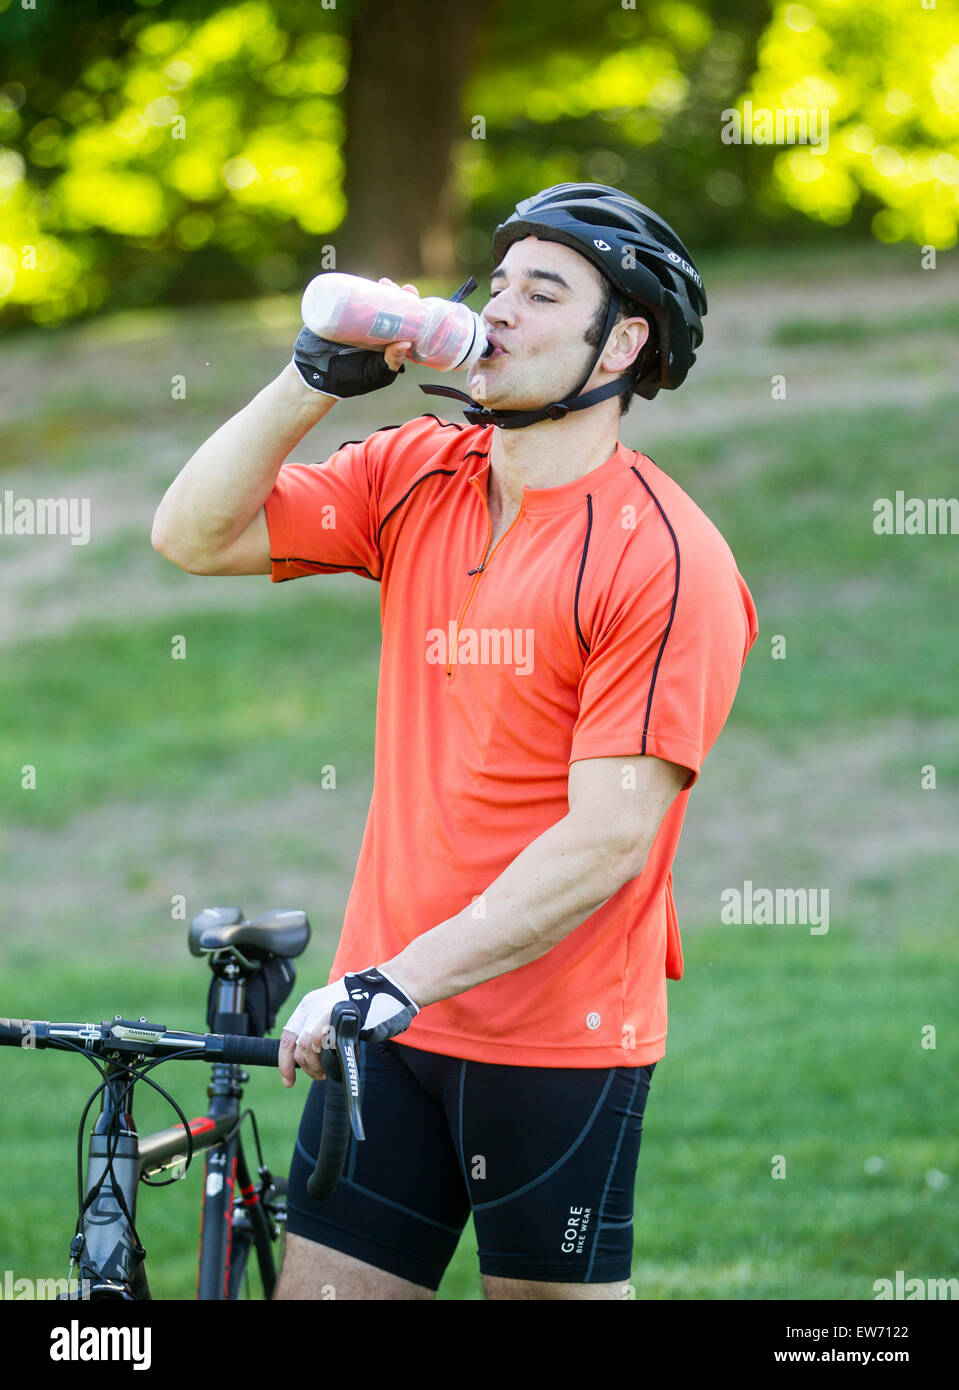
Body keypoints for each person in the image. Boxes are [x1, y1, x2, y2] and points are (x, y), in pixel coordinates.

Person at [152, 182, 758, 1301]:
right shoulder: (419, 468)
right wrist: (310, 379)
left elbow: (607, 840)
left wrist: (389, 982)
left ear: (619, 342)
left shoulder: (666, 559)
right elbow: (192, 533)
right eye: (497, 284)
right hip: (381, 1018)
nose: (499, 311)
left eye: (543, 292)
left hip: (552, 1038)